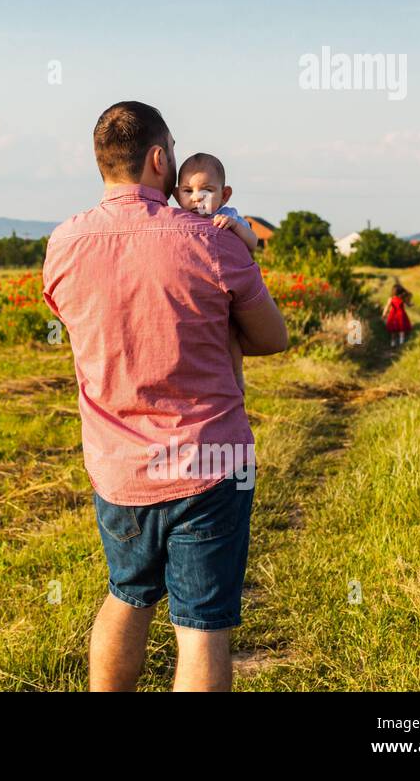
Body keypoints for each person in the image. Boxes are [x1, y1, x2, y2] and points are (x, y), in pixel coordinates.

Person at [42, 101, 289, 692]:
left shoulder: (64, 243)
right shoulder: (213, 241)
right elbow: (273, 338)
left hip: (116, 468)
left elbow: (84, 324)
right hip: (209, 463)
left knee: (126, 597)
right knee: (202, 628)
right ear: (159, 159)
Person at [175, 152, 258, 392]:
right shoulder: (178, 218)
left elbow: (252, 242)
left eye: (207, 190)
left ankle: (237, 381)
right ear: (175, 194)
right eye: (187, 191)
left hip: (229, 291)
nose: (197, 198)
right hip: (198, 290)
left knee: (231, 339)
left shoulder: (227, 217)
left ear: (224, 194)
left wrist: (234, 227)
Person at [383, 280, 413, 346]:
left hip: (393, 315)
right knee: (402, 329)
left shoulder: (391, 298)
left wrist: (384, 314)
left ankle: (392, 343)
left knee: (393, 330)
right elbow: (408, 304)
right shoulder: (402, 298)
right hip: (401, 315)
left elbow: (387, 306)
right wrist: (411, 305)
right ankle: (401, 342)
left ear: (393, 291)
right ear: (401, 291)